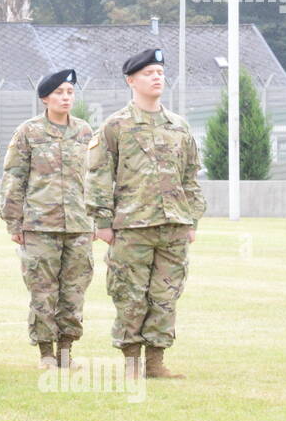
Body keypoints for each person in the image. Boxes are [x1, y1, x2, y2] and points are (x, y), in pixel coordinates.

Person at [87, 48, 206, 379]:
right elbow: (98, 175)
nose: (157, 77)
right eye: (149, 73)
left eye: (160, 72)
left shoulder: (179, 126)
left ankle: (156, 361)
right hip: (132, 226)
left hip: (173, 226)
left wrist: (191, 220)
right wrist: (102, 223)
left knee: (165, 295)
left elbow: (190, 177)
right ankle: (131, 362)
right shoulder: (116, 126)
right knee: (129, 294)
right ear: (131, 81)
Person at [3, 68, 94, 371]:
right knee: (43, 291)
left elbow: (94, 178)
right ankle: (45, 354)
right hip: (40, 226)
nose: (66, 98)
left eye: (69, 92)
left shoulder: (84, 132)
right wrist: (14, 223)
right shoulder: (29, 132)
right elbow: (15, 178)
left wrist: (95, 218)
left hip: (78, 226)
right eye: (59, 93)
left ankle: (66, 352)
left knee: (74, 290)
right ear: (45, 98)